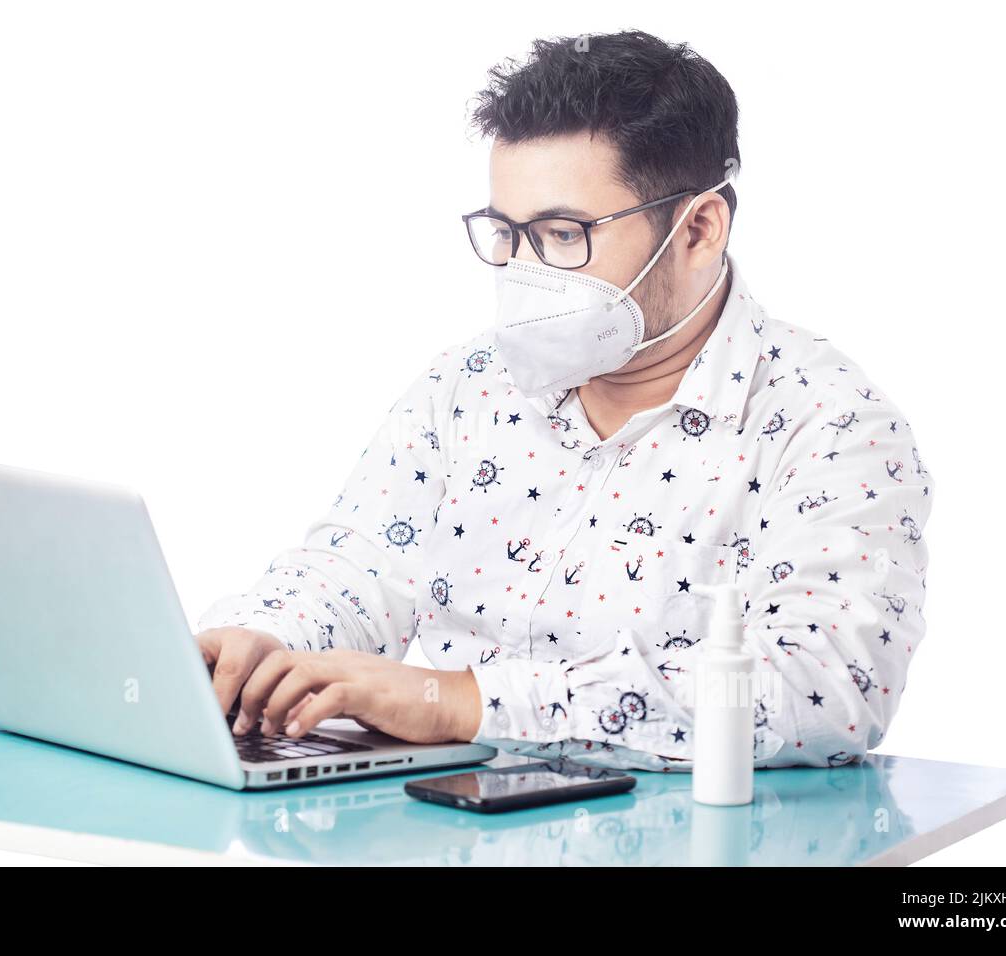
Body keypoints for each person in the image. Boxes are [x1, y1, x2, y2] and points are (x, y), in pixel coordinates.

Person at [194, 30, 935, 770]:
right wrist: (264, 641)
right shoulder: (468, 386)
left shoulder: (829, 424)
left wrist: (457, 701)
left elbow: (827, 688)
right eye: (506, 233)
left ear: (699, 229)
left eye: (561, 233)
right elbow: (356, 568)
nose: (522, 271)